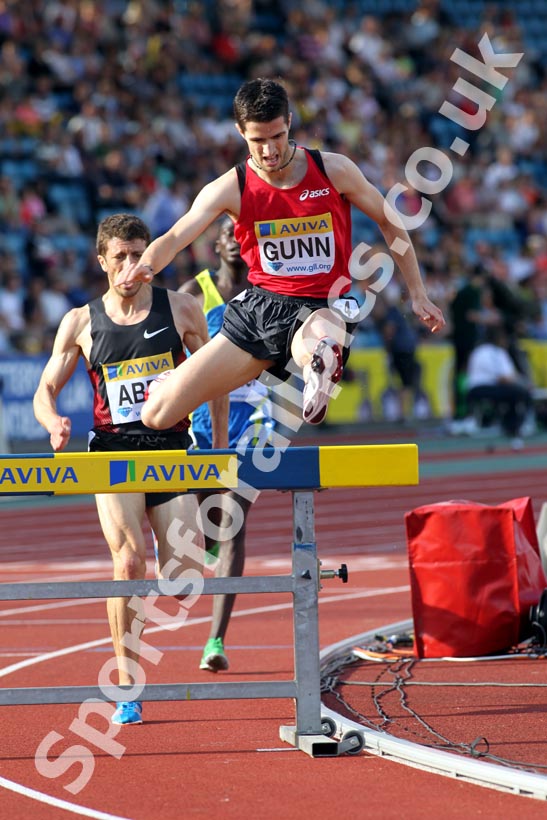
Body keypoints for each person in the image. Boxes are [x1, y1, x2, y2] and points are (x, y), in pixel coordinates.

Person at [115, 78, 445, 433]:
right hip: (259, 310)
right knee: (156, 415)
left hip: (322, 303)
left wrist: (418, 293)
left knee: (323, 336)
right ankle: (182, 381)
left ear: (289, 122)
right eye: (258, 141)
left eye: (277, 136)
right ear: (241, 132)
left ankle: (319, 369)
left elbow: (389, 220)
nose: (270, 150)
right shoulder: (232, 186)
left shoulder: (333, 170)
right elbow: (178, 234)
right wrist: (144, 264)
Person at [33, 213, 229, 725]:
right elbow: (45, 389)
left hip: (171, 454)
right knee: (128, 562)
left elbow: (217, 378)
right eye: (118, 256)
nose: (129, 265)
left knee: (184, 574)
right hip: (113, 457)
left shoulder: (184, 307)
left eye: (137, 254)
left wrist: (219, 448)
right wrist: (53, 420)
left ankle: (177, 560)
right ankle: (127, 686)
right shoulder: (80, 321)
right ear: (102, 261)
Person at [180, 217, 274, 672]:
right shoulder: (194, 293)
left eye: (243, 235)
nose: (234, 242)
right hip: (203, 417)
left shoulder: (269, 288)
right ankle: (211, 536)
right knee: (211, 513)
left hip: (256, 417)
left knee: (235, 517)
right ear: (216, 245)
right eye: (226, 235)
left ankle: (215, 641)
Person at [466, 325, 533, 450]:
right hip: (485, 387)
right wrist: (523, 383)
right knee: (521, 393)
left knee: (514, 393)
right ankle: (514, 426)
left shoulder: (479, 351)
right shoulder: (495, 352)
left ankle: (509, 424)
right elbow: (504, 378)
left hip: (475, 389)